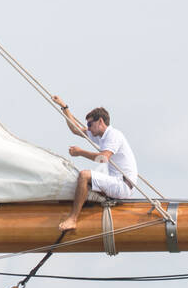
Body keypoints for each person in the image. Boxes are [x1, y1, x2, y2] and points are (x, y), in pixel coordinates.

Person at [52, 96, 137, 233]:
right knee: (81, 182)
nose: (89, 128)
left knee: (84, 175)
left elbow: (103, 159)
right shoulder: (101, 137)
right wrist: (64, 107)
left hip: (123, 185)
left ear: (100, 121)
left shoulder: (113, 135)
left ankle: (73, 219)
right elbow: (76, 130)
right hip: (117, 182)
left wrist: (80, 152)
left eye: (90, 124)